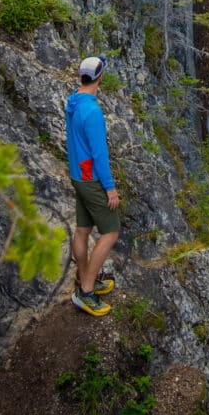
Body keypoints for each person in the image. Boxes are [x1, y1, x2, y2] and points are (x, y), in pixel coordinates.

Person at [65, 55, 120, 316]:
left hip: (78, 175)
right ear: (101, 78)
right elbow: (100, 154)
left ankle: (84, 276)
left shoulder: (74, 102)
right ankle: (86, 291)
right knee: (110, 232)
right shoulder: (93, 112)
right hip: (91, 179)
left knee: (83, 230)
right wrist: (110, 188)